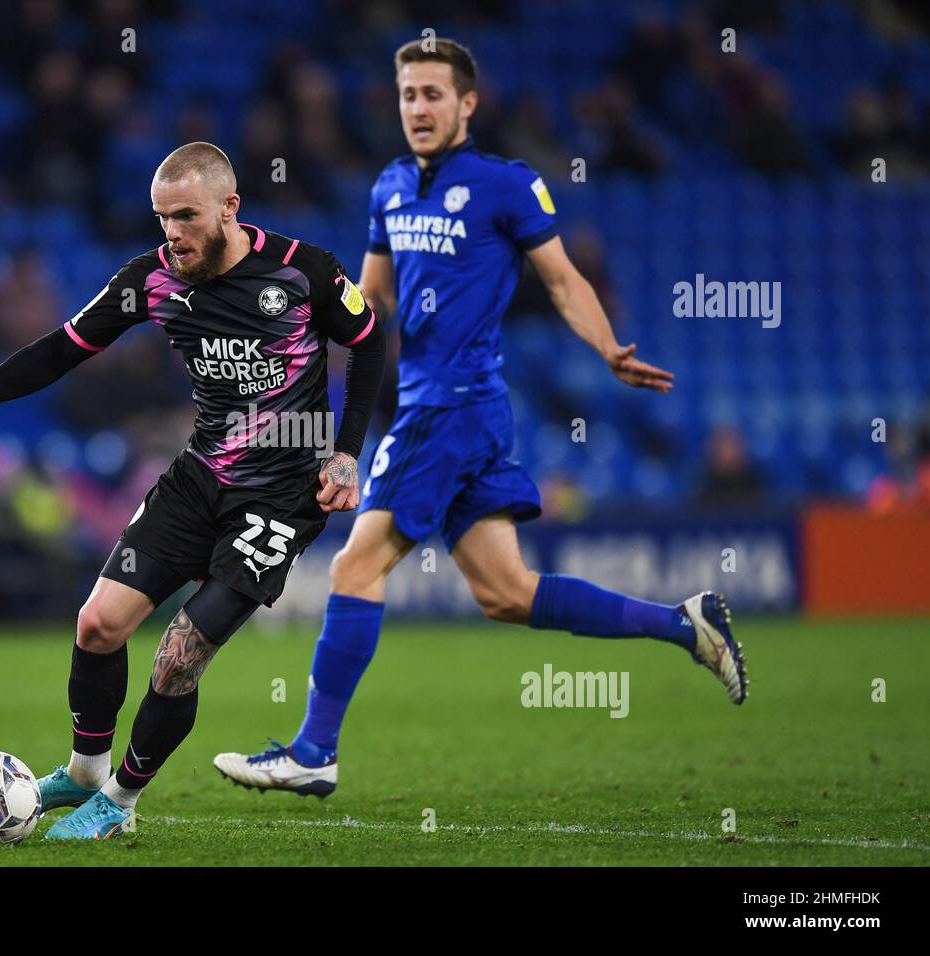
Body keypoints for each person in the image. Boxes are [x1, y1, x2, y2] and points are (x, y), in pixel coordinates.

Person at [213, 39, 747, 800]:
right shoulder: (389, 187)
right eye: (407, 95)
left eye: (433, 94)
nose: (418, 108)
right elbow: (375, 298)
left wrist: (606, 350)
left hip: (451, 408)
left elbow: (563, 280)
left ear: (468, 103)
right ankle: (684, 623)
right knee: (507, 594)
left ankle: (313, 751)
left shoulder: (506, 185)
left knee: (353, 567)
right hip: (458, 413)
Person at [0, 142, 385, 838]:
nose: (173, 234)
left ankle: (120, 803)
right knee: (97, 624)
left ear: (229, 207)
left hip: (282, 496)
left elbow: (369, 341)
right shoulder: (150, 280)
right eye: (162, 218)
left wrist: (345, 454)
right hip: (198, 478)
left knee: (178, 654)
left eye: (186, 217)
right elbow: (62, 348)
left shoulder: (306, 270)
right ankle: (85, 770)